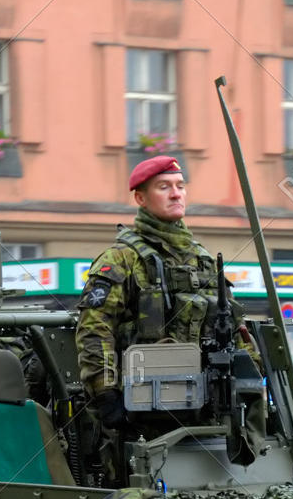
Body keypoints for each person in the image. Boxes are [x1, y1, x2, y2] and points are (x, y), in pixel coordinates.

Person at [75, 155, 261, 456]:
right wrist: (106, 394)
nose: (176, 193)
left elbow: (235, 327)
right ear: (140, 198)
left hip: (206, 412)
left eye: (180, 186)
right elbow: (95, 331)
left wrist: (251, 375)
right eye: (164, 187)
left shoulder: (201, 258)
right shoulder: (121, 258)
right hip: (141, 417)